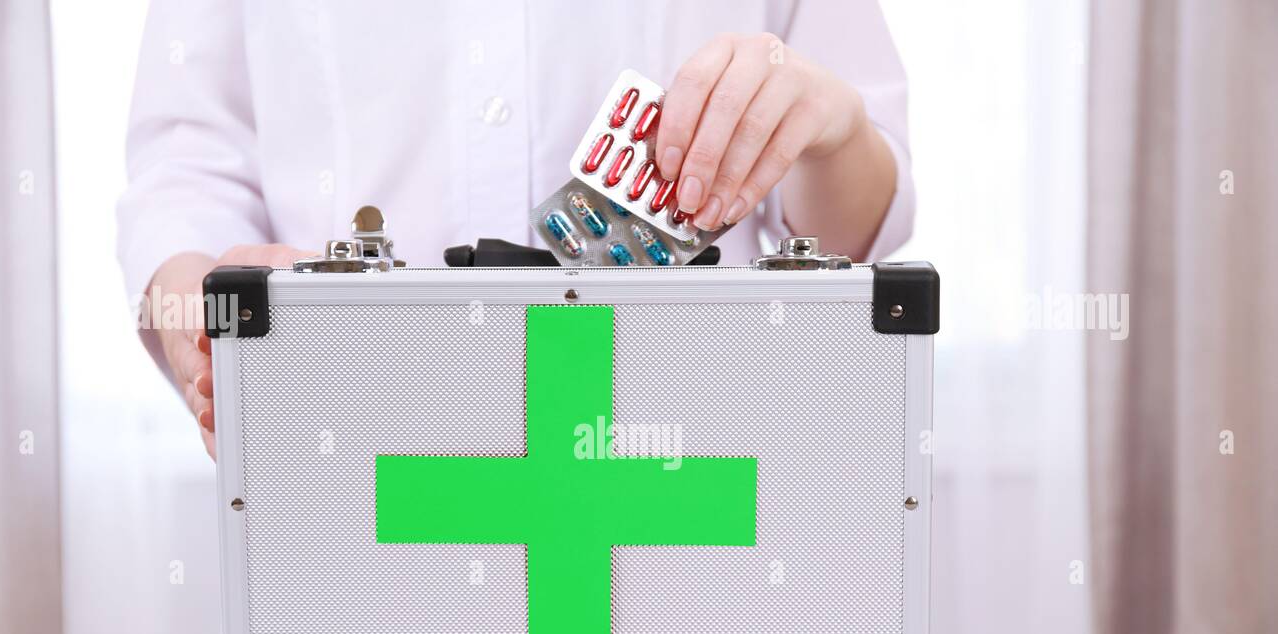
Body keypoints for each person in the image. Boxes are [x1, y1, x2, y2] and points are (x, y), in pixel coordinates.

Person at [118, 0, 914, 458]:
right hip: (350, 446)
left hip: (674, 456)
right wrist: (201, 322)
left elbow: (846, 240)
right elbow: (188, 167)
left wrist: (832, 131)